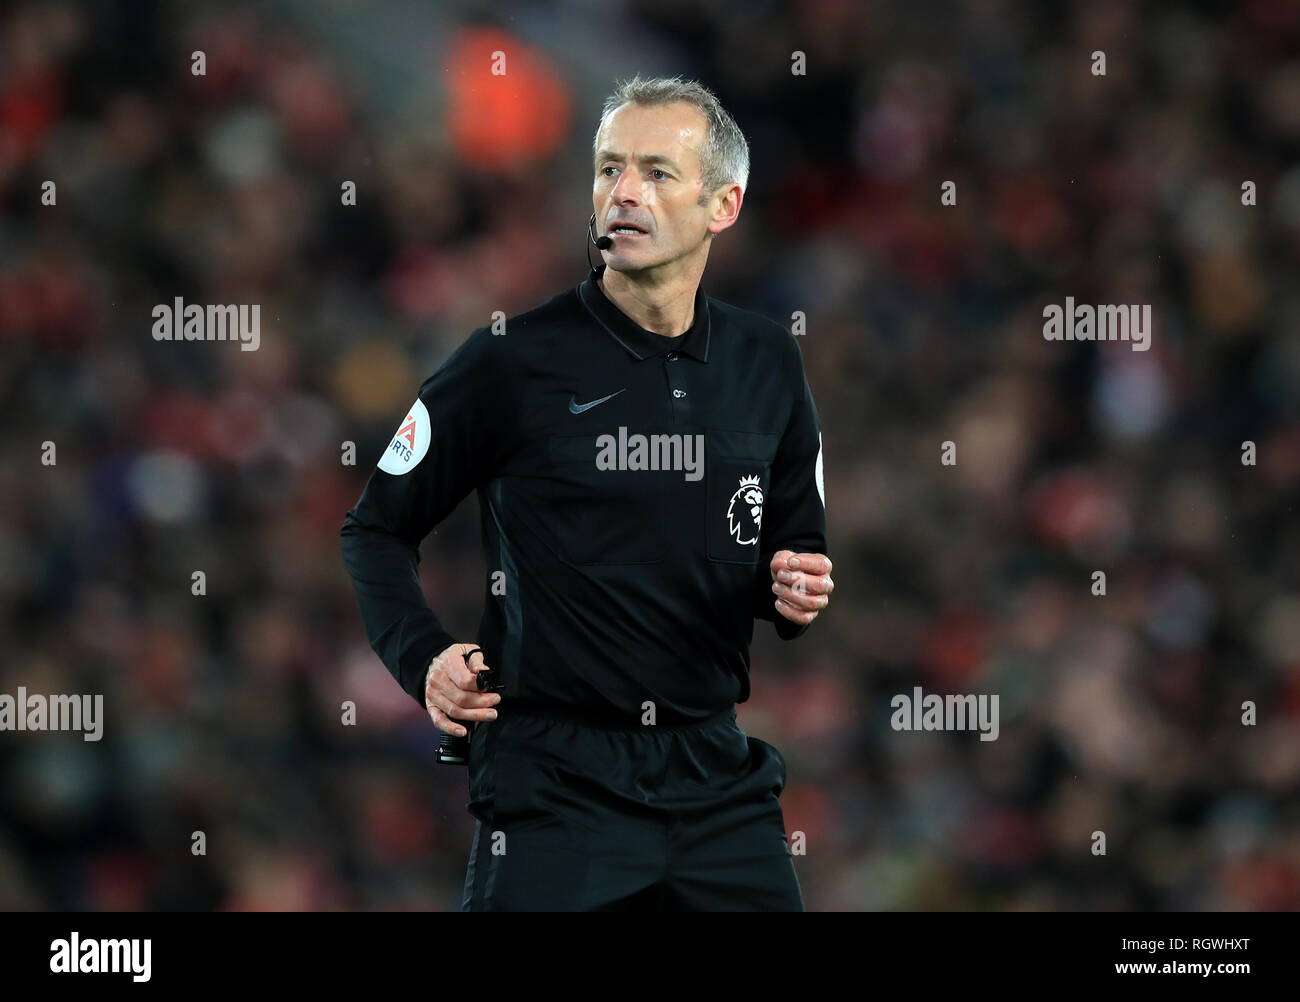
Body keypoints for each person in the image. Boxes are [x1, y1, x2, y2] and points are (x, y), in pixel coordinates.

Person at [340, 75, 833, 910]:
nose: (623, 192)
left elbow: (792, 554)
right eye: (608, 169)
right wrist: (423, 658)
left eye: (656, 172)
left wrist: (796, 585)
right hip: (556, 782)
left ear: (724, 205)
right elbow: (375, 529)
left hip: (714, 777)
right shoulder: (510, 363)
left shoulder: (767, 364)